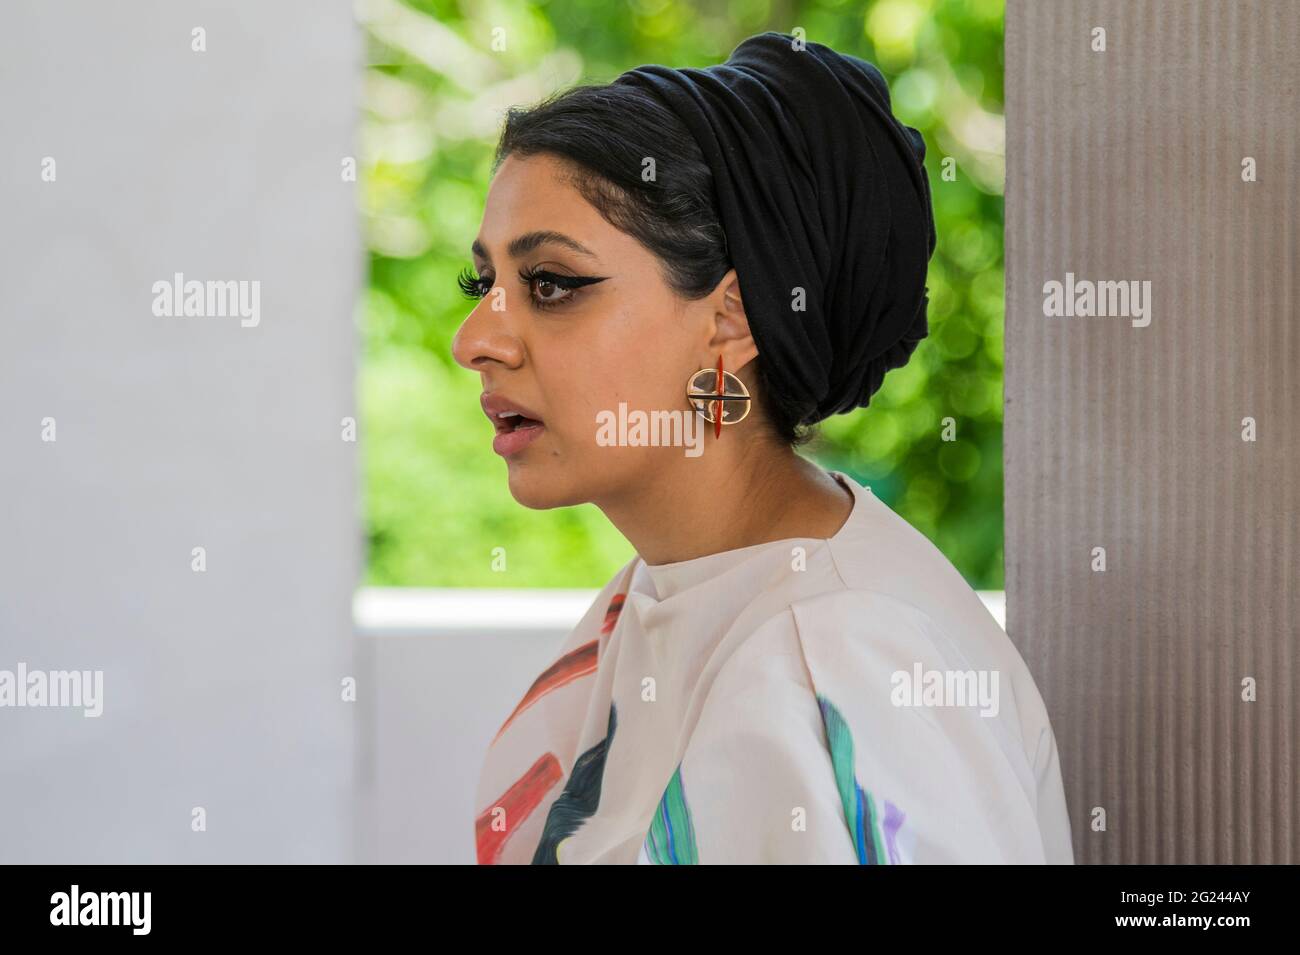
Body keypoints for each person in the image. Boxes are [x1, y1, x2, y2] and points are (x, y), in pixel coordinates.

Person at [452, 32, 1073, 864]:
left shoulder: (846, 659)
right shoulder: (661, 594)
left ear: (732, 317)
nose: (474, 340)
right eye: (481, 283)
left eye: (553, 284)